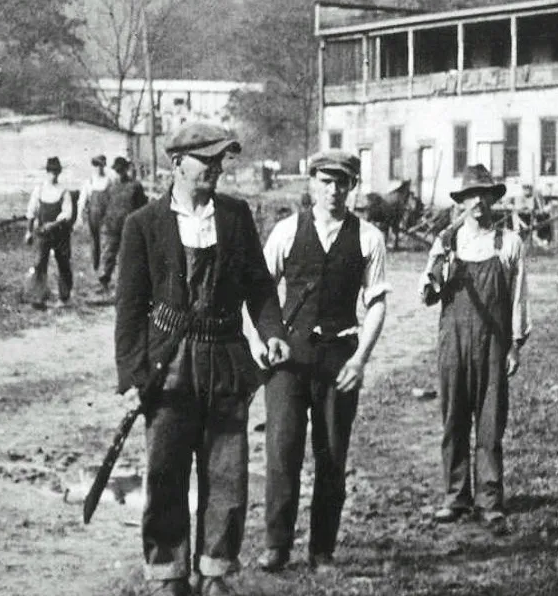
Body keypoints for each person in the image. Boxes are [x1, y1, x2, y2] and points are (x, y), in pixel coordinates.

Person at [114, 122, 291, 596]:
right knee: (166, 471)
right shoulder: (144, 225)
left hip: (227, 362)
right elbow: (130, 309)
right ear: (177, 163)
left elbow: (259, 286)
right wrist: (132, 377)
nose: (215, 168)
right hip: (168, 365)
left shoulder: (235, 217)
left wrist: (271, 332)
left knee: (227, 472)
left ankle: (215, 571)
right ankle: (167, 573)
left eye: (220, 160)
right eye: (205, 159)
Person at [258, 149, 389, 573]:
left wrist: (361, 360)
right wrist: (267, 339)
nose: (334, 191)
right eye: (326, 181)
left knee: (331, 454)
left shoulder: (368, 237)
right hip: (289, 359)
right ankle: (277, 545)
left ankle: (322, 551)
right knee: (282, 450)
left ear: (353, 188)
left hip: (339, 357)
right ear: (312, 183)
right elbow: (260, 293)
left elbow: (377, 303)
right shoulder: (286, 231)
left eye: (342, 183)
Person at [420, 164, 530, 534]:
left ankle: (489, 499)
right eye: (471, 195)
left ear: (493, 199)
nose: (478, 202)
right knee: (453, 420)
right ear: (462, 202)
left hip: (493, 345)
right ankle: (455, 498)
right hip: (454, 343)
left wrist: (515, 345)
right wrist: (437, 278)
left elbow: (518, 299)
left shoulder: (509, 243)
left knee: (489, 423)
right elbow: (428, 293)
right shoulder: (447, 242)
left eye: (485, 194)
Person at [24, 156, 74, 308]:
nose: (54, 174)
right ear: (47, 172)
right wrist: (29, 232)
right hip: (42, 233)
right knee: (39, 263)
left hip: (60, 233)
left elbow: (67, 213)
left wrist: (53, 224)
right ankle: (38, 298)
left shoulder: (63, 191)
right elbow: (31, 212)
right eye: (51, 171)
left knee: (63, 262)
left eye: (56, 172)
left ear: (59, 172)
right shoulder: (39, 190)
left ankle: (64, 297)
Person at [99, 156, 147, 292]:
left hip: (129, 227)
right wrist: (106, 221)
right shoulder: (111, 187)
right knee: (108, 254)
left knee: (127, 256)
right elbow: (105, 204)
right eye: (116, 170)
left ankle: (125, 285)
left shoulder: (135, 186)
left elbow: (142, 207)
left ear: (126, 169)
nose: (119, 173)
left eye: (121, 170)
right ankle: (104, 282)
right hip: (112, 226)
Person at [76, 154, 112, 274]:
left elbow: (113, 198)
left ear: (104, 166)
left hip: (106, 214)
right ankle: (95, 265)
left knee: (105, 240)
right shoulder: (89, 182)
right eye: (96, 165)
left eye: (100, 165)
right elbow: (82, 200)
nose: (98, 168)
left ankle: (104, 267)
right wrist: (79, 216)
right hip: (93, 214)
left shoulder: (109, 181)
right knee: (94, 239)